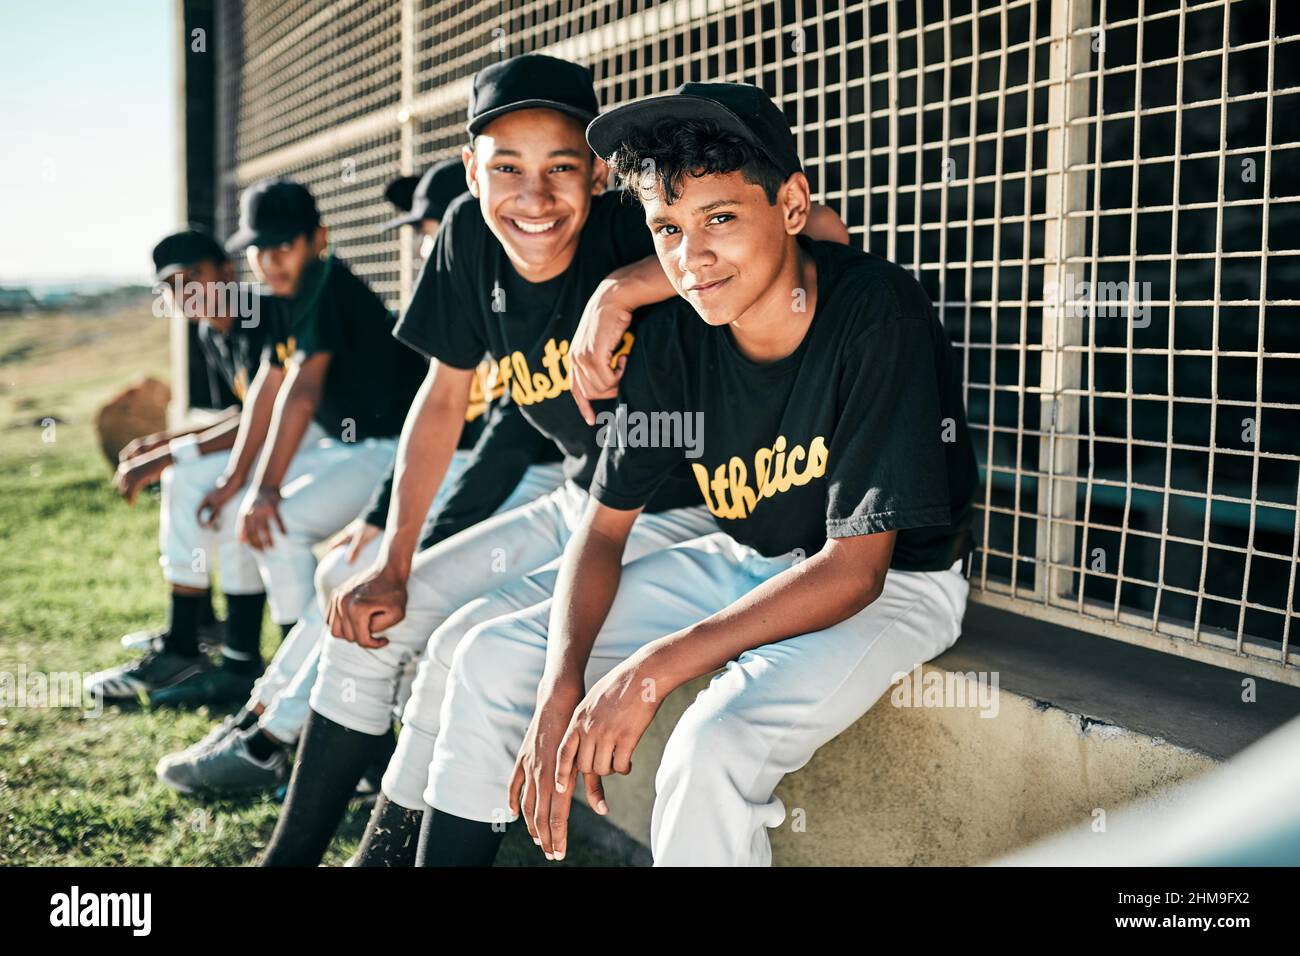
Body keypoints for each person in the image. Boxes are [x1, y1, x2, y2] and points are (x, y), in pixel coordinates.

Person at [264, 54, 851, 867]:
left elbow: (817, 232)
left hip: (684, 509)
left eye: (562, 168)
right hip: (585, 498)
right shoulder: (469, 235)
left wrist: (623, 288)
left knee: (470, 650)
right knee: (380, 621)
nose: (533, 198)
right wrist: (393, 555)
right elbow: (441, 400)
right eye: (506, 167)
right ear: (470, 171)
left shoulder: (631, 223)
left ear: (600, 171)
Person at [413, 82, 980, 867]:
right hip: (747, 561)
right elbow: (604, 530)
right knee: (494, 658)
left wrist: (653, 670)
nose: (692, 257)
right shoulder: (677, 333)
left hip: (898, 585)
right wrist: (563, 683)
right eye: (667, 229)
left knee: (710, 745)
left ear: (790, 205)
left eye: (720, 218)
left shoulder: (876, 311)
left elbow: (855, 573)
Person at [153, 166, 562, 793]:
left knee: (352, 571)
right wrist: (374, 517)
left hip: (508, 480)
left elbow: (498, 444)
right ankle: (267, 713)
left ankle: (272, 733)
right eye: (427, 234)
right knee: (338, 571)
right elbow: (276, 390)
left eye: (438, 229)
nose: (429, 247)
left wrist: (398, 536)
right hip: (419, 460)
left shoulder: (513, 298)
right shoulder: (456, 292)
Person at [88, 229, 267, 701]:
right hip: (278, 444)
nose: (185, 293)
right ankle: (195, 628)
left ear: (226, 272)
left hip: (322, 445)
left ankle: (189, 643)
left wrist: (172, 452)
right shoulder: (211, 330)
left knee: (191, 476)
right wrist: (165, 441)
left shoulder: (261, 313)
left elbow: (271, 417)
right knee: (182, 473)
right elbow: (243, 412)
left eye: (195, 277)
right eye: (173, 285)